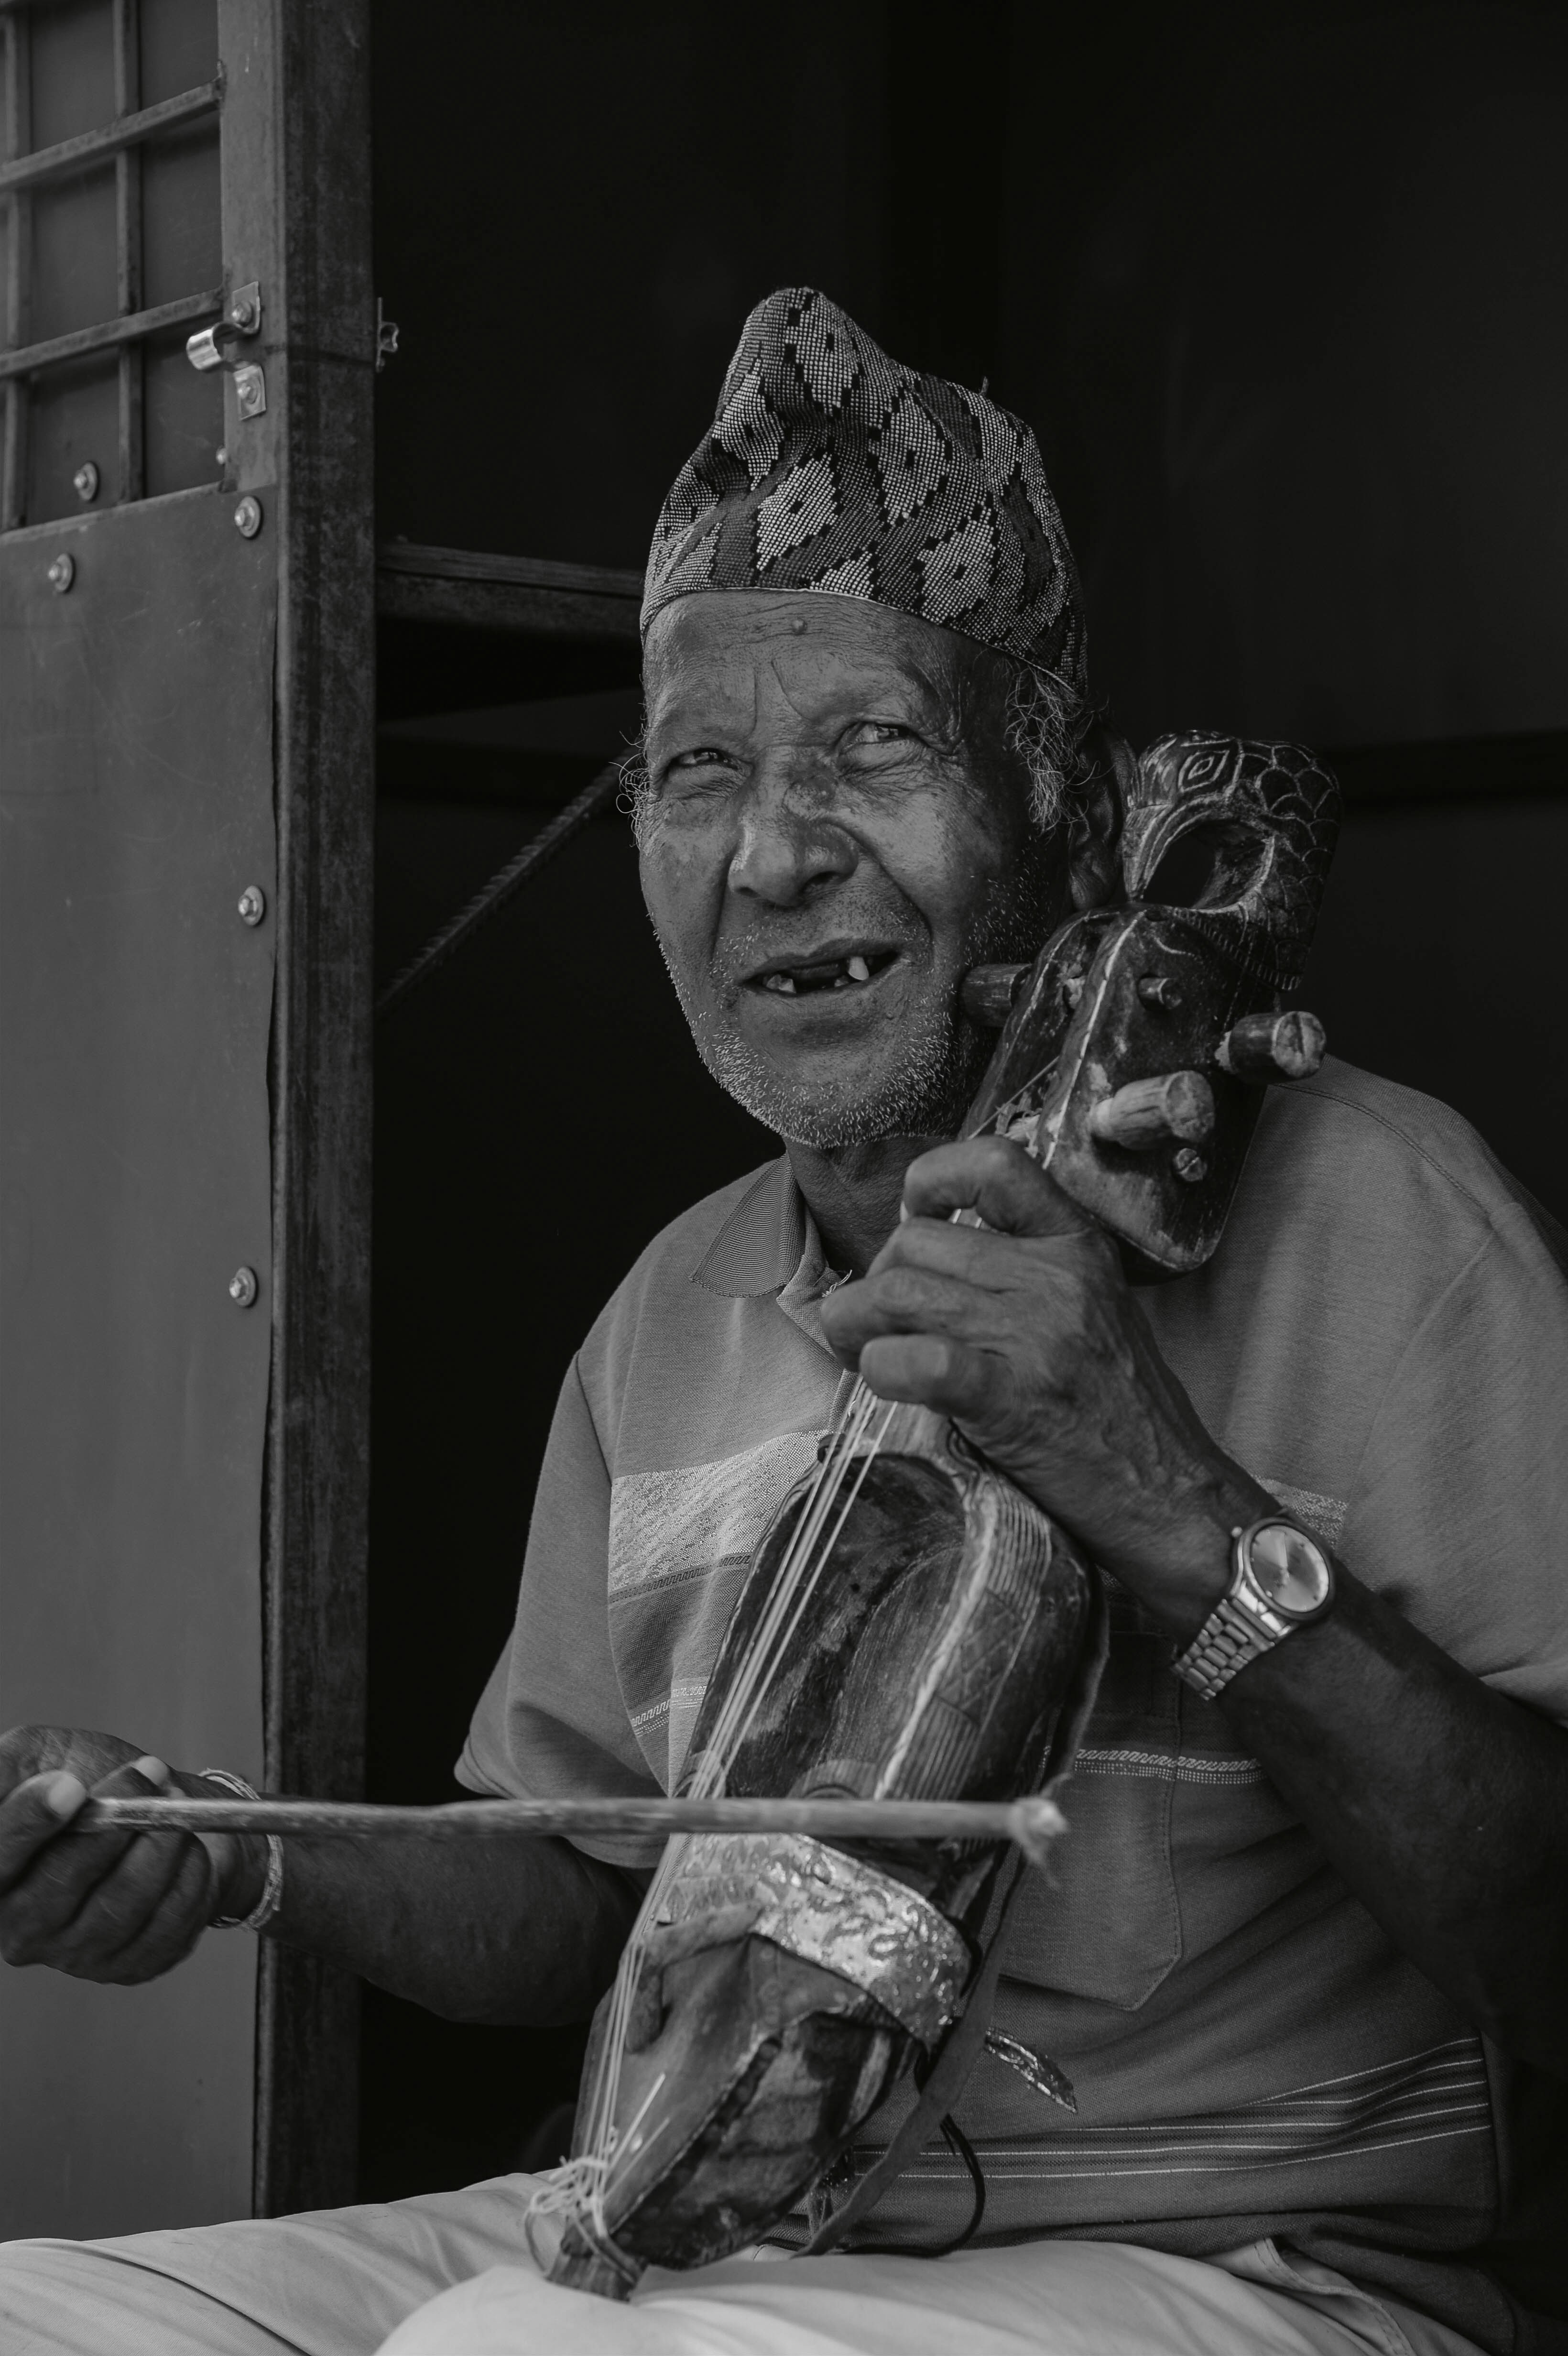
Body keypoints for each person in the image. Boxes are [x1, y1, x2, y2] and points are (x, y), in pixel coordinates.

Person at [1, 288, 1565, 2356]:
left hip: (1243, 2269)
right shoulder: (670, 1311)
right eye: (697, 773)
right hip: (668, 2225)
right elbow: (578, 1896)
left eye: (871, 746)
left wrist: (1151, 1483)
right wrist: (231, 1855)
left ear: (1054, 802)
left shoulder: (1377, 1212)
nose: (773, 851)